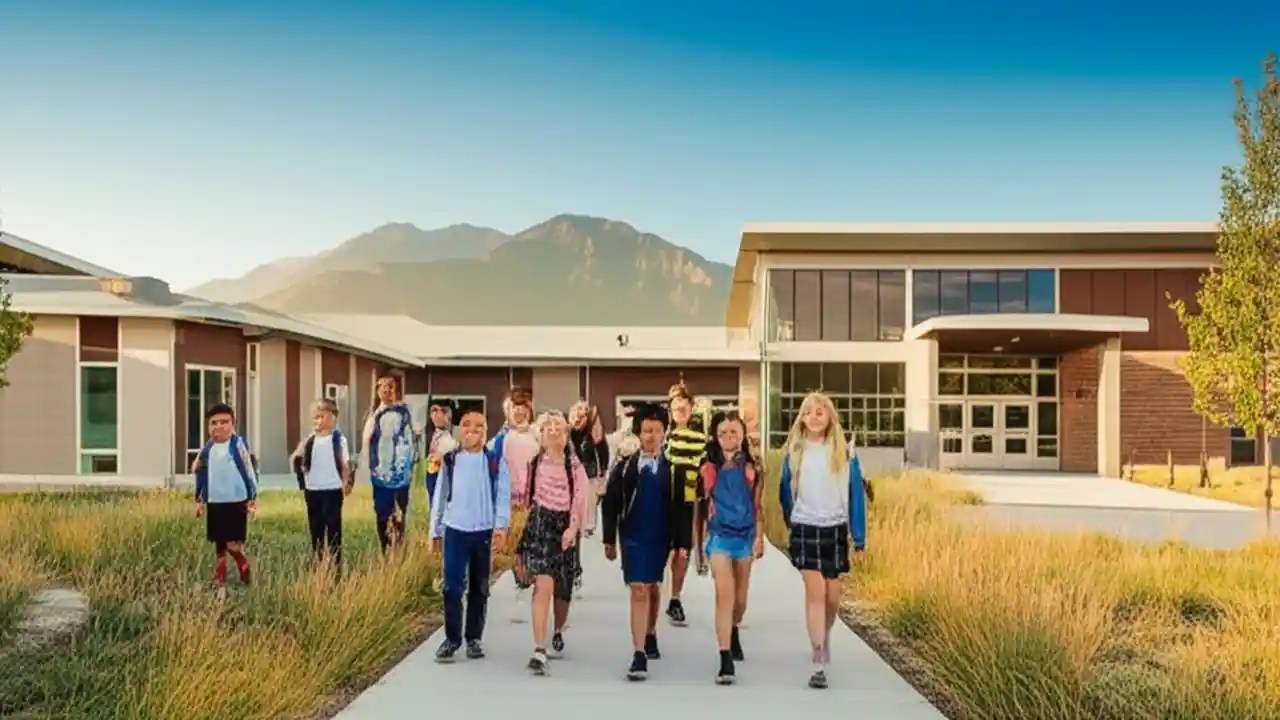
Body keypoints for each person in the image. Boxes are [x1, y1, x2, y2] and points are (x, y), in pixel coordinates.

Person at [778, 391, 868, 690]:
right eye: (808, 412)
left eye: (820, 411)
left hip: (835, 529)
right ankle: (819, 658)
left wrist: (859, 538)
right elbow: (784, 492)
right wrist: (793, 521)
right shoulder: (796, 450)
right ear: (801, 419)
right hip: (805, 527)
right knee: (815, 592)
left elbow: (856, 496)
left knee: (831, 598)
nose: (814, 416)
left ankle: (823, 636)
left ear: (830, 417)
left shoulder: (844, 451)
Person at [601, 403, 676, 681]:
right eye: (646, 430)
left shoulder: (671, 469)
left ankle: (651, 631)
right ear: (638, 433)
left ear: (664, 433)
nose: (651, 436)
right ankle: (638, 653)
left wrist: (682, 544)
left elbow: (681, 508)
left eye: (656, 431)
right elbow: (610, 503)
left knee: (653, 586)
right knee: (638, 589)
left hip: (659, 536)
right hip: (632, 536)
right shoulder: (625, 468)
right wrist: (609, 539)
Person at [430, 408, 510, 662]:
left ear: (486, 431)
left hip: (482, 530)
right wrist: (435, 531)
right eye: (466, 425)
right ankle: (452, 638)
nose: (472, 431)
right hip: (455, 529)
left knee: (480, 587)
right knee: (452, 586)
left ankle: (473, 637)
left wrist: (501, 526)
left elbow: (503, 494)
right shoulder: (451, 460)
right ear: (458, 429)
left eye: (478, 426)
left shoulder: (494, 460)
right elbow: (440, 496)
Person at [513, 410, 589, 674]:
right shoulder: (535, 463)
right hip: (540, 524)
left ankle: (558, 628)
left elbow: (580, 499)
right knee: (543, 584)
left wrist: (573, 528)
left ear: (566, 435)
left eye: (558, 427)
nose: (553, 430)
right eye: (548, 427)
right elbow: (525, 497)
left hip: (565, 525)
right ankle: (539, 648)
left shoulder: (574, 467)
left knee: (562, 588)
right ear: (541, 435)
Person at [699, 410, 764, 685]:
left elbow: (759, 506)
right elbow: (699, 509)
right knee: (724, 596)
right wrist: (698, 546)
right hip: (719, 537)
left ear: (742, 435)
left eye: (733, 431)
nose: (728, 437)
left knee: (739, 601)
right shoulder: (707, 467)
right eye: (723, 432)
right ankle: (725, 657)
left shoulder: (752, 468)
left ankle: (734, 628)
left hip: (745, 537)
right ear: (715, 436)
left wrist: (760, 537)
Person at [193, 402, 259, 595]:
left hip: (236, 500)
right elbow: (200, 474)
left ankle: (243, 566)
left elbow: (248, 470)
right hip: (215, 501)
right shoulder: (207, 449)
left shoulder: (237, 445)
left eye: (224, 422)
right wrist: (199, 500)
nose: (219, 426)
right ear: (208, 427)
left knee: (233, 543)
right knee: (219, 542)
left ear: (233, 425)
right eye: (214, 423)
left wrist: (252, 497)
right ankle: (219, 578)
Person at [663, 377, 710, 627]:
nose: (680, 409)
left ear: (691, 409)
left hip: (687, 500)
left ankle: (675, 598)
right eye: (676, 405)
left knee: (682, 552)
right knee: (664, 551)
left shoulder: (700, 440)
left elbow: (706, 471)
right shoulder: (663, 437)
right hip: (662, 500)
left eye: (684, 405)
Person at [491, 387, 540, 621]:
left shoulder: (537, 434)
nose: (519, 412)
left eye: (523, 408)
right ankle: (520, 590)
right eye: (514, 408)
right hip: (509, 501)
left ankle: (530, 590)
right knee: (515, 550)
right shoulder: (501, 438)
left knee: (531, 548)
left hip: (534, 500)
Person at [291, 398, 354, 570]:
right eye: (315, 417)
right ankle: (318, 561)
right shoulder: (309, 440)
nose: (318, 421)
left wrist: (346, 481)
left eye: (322, 417)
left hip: (332, 490)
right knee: (316, 528)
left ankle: (336, 564)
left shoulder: (338, 439)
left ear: (332, 418)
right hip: (313, 490)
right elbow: (298, 459)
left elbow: (344, 463)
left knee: (333, 528)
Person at [362, 375, 417, 553]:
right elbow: (366, 442)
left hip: (402, 477)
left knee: (400, 515)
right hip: (381, 477)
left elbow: (413, 439)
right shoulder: (374, 416)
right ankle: (386, 550)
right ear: (377, 391)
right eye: (383, 387)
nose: (387, 390)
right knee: (383, 514)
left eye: (390, 386)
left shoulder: (405, 413)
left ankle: (399, 550)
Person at [569, 402, 611, 539]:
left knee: (589, 499)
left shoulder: (592, 436)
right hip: (575, 474)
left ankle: (588, 525)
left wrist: (602, 473)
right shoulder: (571, 433)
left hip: (590, 473)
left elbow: (603, 454)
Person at [424, 397, 458, 504]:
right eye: (434, 411)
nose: (438, 415)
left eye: (443, 411)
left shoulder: (455, 438)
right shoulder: (429, 435)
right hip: (432, 477)